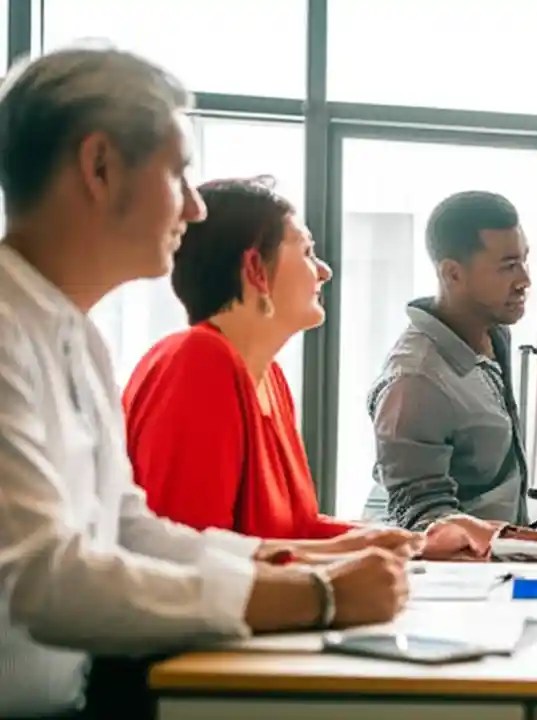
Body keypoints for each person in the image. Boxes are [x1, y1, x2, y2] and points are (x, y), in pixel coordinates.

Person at [0, 47, 406, 719]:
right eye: (179, 174)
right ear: (100, 167)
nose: (193, 208)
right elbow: (43, 581)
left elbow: (132, 529)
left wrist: (318, 570)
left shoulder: (76, 335)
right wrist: (317, 597)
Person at [122, 177, 487, 560]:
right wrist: (351, 552)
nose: (324, 271)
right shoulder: (196, 362)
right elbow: (189, 557)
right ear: (255, 269)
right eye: (308, 251)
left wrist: (417, 543)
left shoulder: (269, 377)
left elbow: (300, 529)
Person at [366, 190, 537, 544]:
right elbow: (421, 518)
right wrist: (524, 542)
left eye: (524, 260)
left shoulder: (493, 334)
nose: (525, 280)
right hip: (449, 582)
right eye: (507, 266)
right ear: (452, 274)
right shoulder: (415, 380)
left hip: (499, 566)